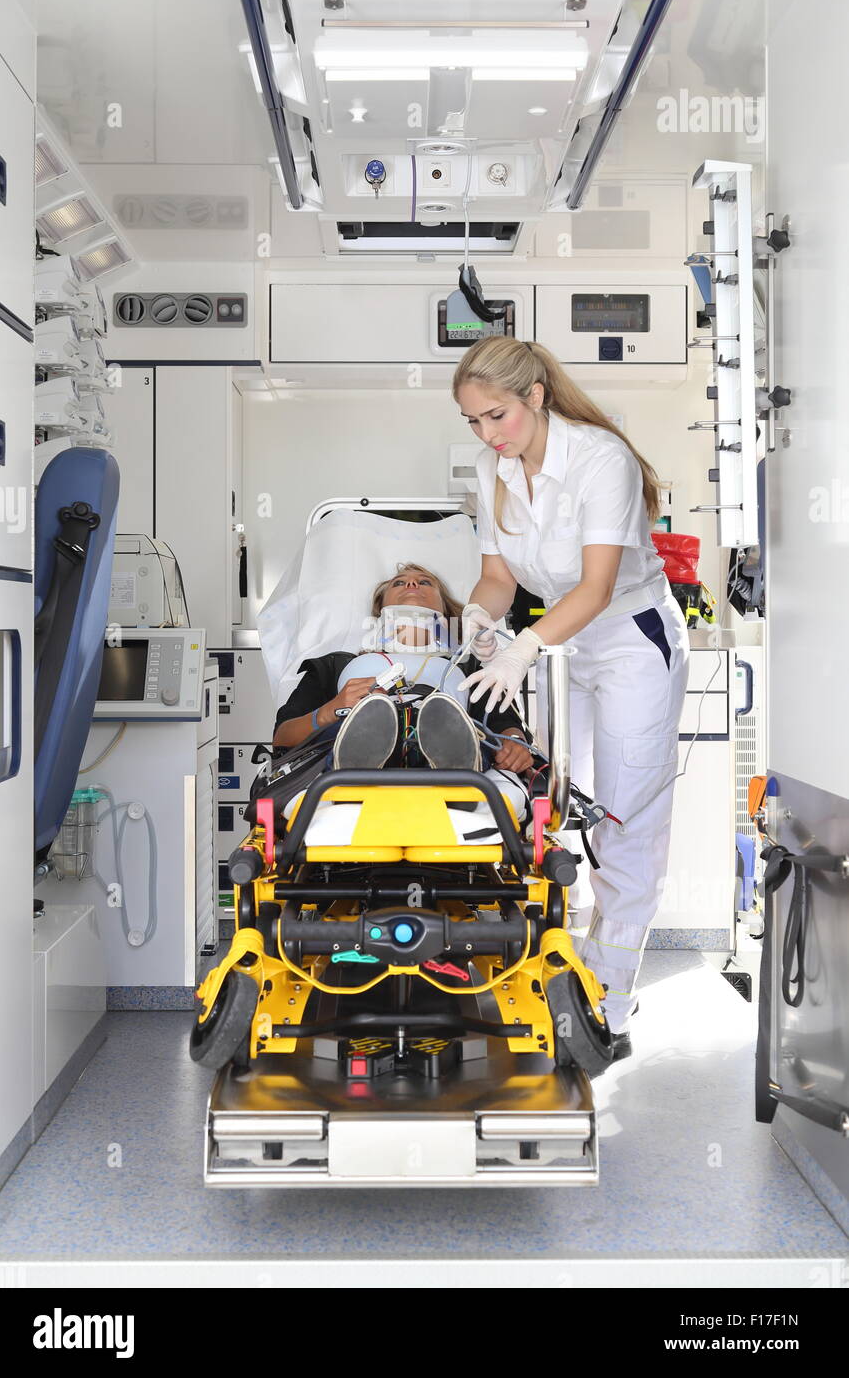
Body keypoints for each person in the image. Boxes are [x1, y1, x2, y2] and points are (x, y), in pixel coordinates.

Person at [454, 336, 690, 1060]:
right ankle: (558, 975)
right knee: (553, 807)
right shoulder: (496, 469)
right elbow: (499, 577)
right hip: (565, 645)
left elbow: (593, 588)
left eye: (498, 416)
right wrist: (479, 619)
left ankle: (610, 1005)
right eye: (474, 422)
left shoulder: (600, 461)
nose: (490, 435)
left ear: (535, 396)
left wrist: (524, 646)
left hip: (626, 643)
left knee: (623, 822)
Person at [273, 564, 533, 808]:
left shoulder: (470, 668)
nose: (411, 583)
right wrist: (331, 709)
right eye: (399, 582)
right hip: (349, 739)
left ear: (444, 608)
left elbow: (506, 729)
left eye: (424, 582)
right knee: (366, 723)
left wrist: (515, 745)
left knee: (449, 724)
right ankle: (361, 753)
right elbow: (282, 737)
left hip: (450, 742)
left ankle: (451, 763)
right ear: (380, 609)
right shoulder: (333, 667)